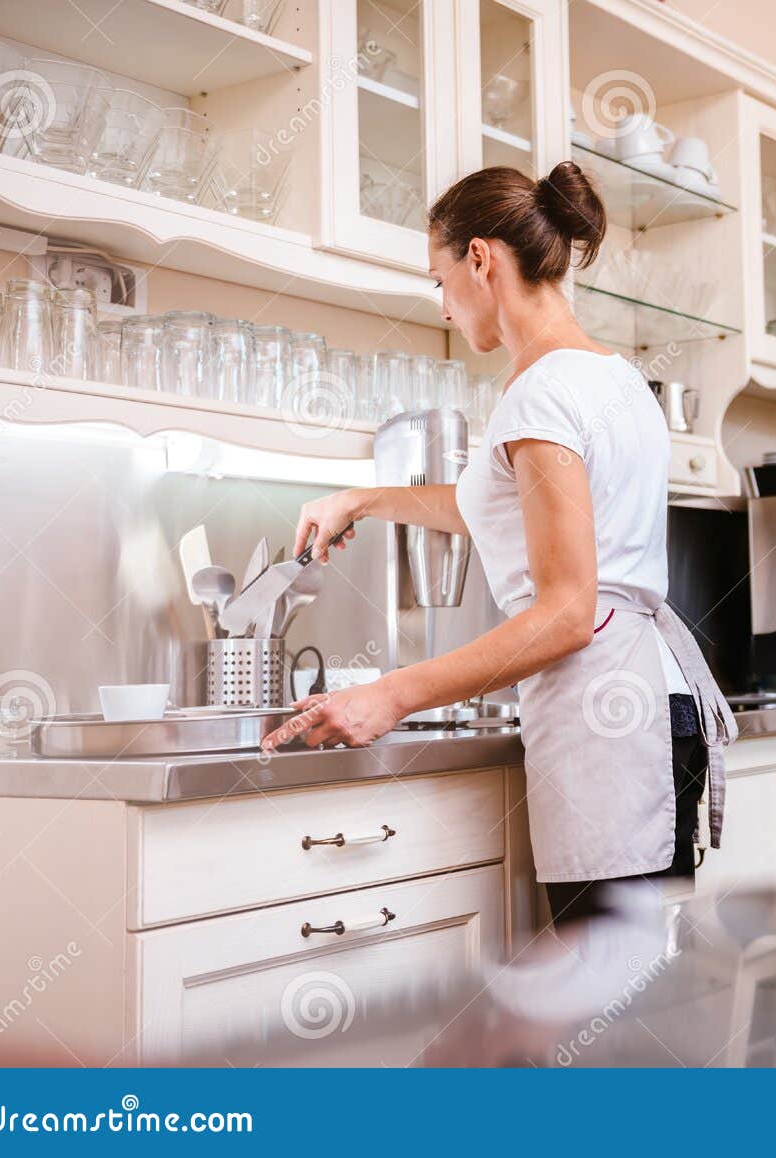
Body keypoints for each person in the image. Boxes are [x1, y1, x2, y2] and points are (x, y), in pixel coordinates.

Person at [261, 161, 736, 925]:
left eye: (439, 280)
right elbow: (513, 506)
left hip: (604, 720)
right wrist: (368, 498)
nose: (445, 308)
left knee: (603, 1008)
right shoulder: (614, 379)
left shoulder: (541, 392)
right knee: (640, 1001)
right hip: (646, 703)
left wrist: (390, 695)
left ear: (480, 259)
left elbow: (566, 612)